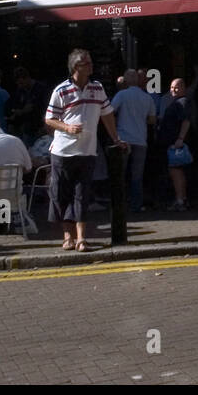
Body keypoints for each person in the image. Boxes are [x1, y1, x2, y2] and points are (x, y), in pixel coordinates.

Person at [45, 49, 124, 251]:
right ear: (75, 67)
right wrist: (67, 127)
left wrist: (115, 137)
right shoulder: (61, 90)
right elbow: (49, 119)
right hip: (62, 152)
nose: (90, 66)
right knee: (62, 196)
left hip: (87, 151)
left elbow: (107, 114)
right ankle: (67, 236)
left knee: (82, 195)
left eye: (90, 62)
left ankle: (81, 238)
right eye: (85, 63)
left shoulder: (97, 88)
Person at [111, 68, 157, 213]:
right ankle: (136, 204)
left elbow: (110, 112)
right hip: (140, 139)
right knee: (137, 175)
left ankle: (119, 204)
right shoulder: (147, 97)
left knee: (121, 173)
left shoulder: (121, 95)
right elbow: (152, 119)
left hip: (123, 138)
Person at [157, 77, 195, 212]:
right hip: (172, 143)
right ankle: (182, 199)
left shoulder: (182, 102)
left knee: (176, 171)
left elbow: (186, 121)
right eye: (172, 87)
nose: (173, 89)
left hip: (176, 144)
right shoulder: (176, 102)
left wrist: (180, 139)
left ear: (184, 88)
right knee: (177, 171)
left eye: (177, 87)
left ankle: (180, 200)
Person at [10, 67, 52, 146]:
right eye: (18, 83)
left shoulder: (41, 89)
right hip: (27, 128)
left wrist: (45, 125)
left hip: (41, 127)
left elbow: (48, 108)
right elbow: (15, 106)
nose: (20, 85)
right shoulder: (20, 91)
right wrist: (20, 111)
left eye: (21, 83)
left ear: (27, 78)